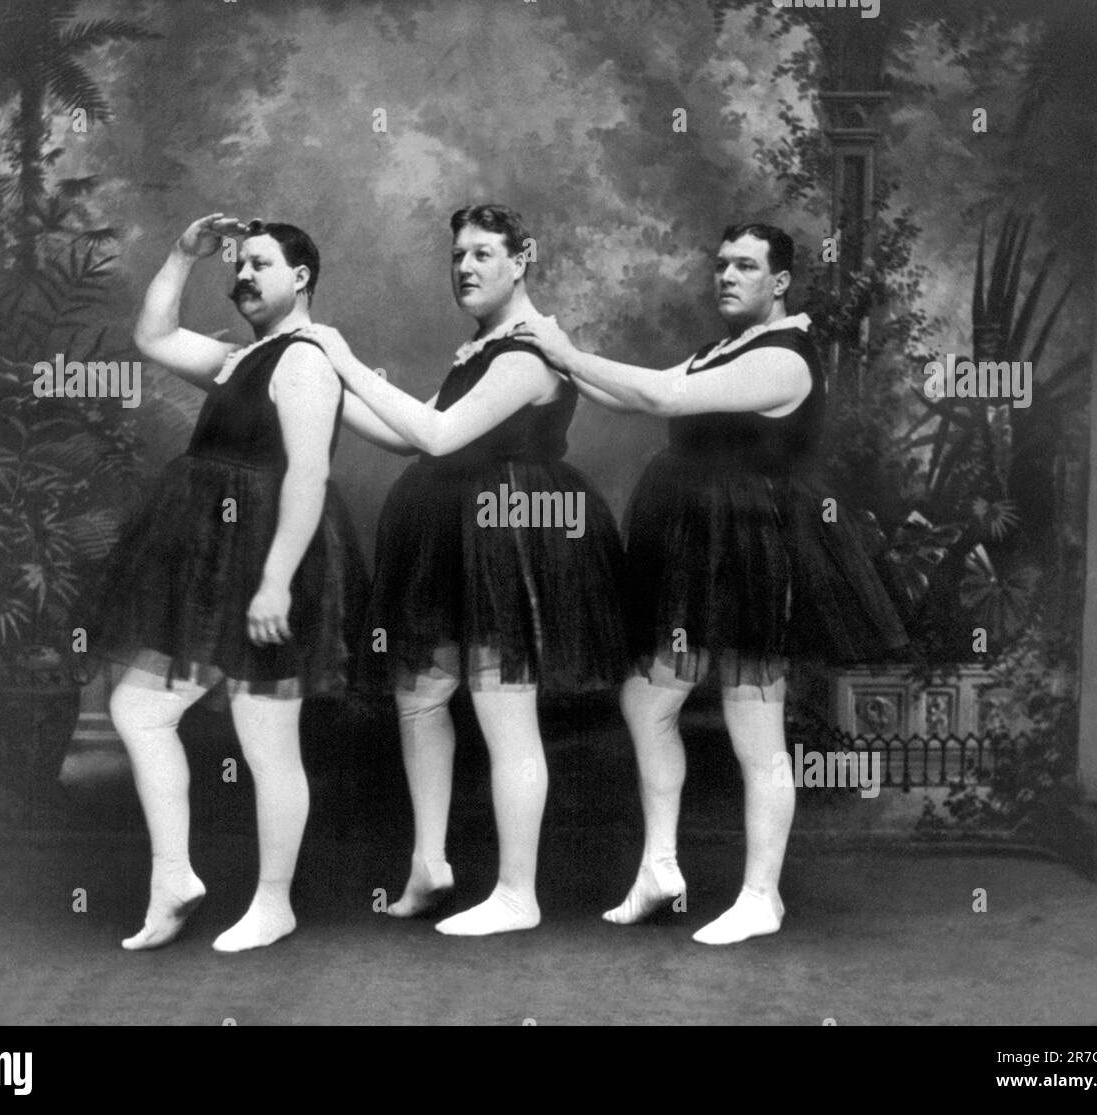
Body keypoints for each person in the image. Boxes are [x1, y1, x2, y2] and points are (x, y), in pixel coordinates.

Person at [512, 222, 909, 945]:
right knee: (644, 698)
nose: (726, 275)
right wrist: (563, 368)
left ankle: (763, 896)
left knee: (753, 724)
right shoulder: (722, 349)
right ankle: (660, 868)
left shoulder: (786, 358)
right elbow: (641, 399)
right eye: (721, 263)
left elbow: (662, 398)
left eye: (746, 265)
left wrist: (566, 351)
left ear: (780, 280)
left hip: (756, 546)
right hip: (694, 544)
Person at [302, 203, 628, 936]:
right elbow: (404, 432)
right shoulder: (482, 349)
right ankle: (429, 863)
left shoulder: (523, 356)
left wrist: (345, 360)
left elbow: (441, 435)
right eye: (458, 256)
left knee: (502, 710)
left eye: (483, 254)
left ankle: (518, 891)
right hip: (450, 532)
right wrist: (323, 381)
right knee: (418, 693)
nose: (465, 268)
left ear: (523, 258)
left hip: (510, 532)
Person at [94, 214, 368, 952]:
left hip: (273, 560)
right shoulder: (239, 358)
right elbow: (152, 337)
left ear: (301, 276)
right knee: (140, 709)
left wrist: (276, 582)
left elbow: (310, 472)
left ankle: (274, 902)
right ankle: (173, 877)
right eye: (238, 266)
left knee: (266, 738)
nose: (243, 277)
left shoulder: (305, 360)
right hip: (213, 562)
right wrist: (184, 252)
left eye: (260, 264)